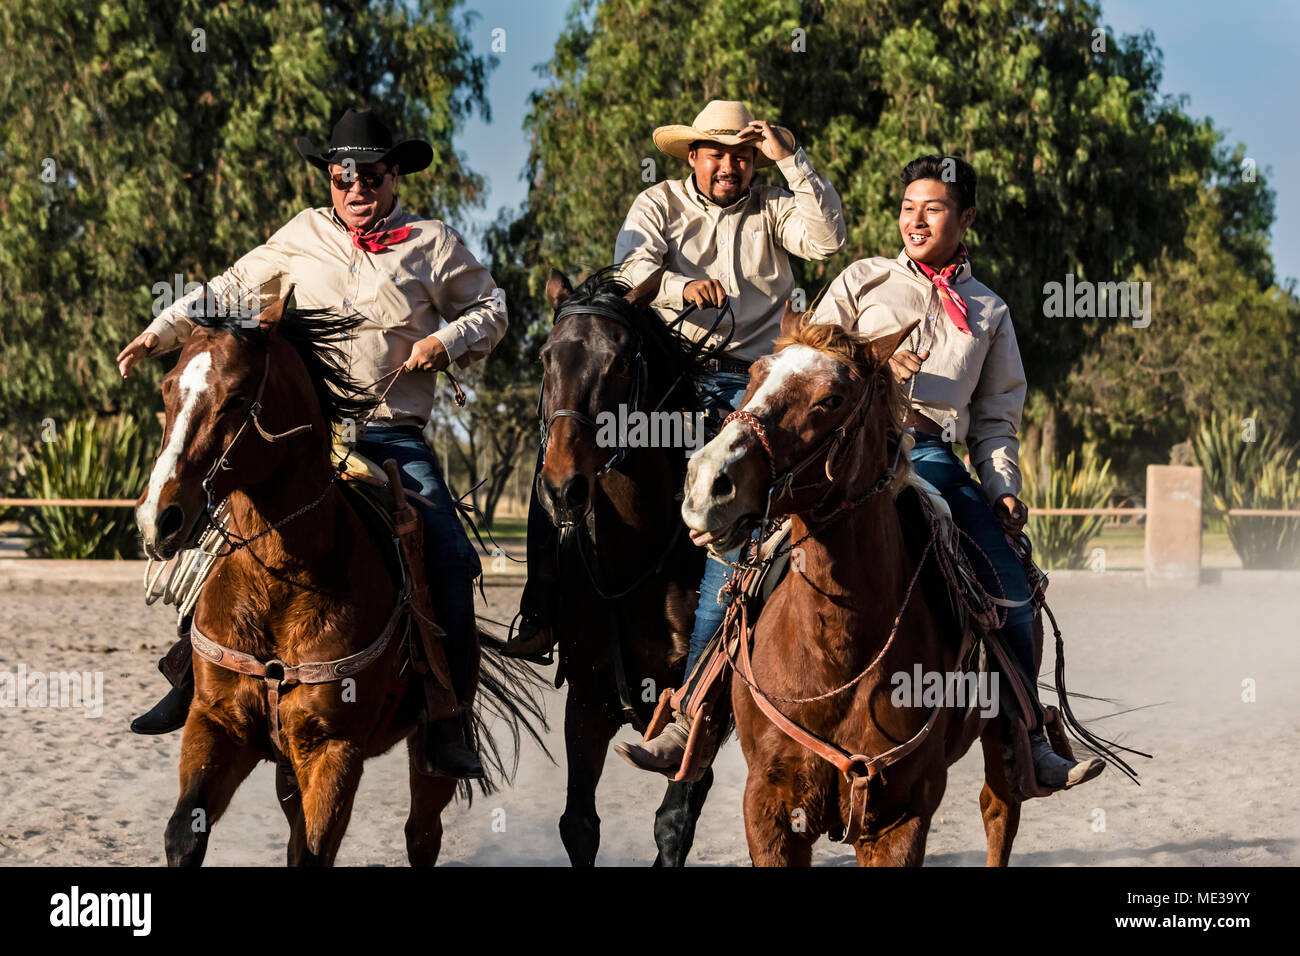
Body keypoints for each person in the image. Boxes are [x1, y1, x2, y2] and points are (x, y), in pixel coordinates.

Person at [115, 107, 507, 779]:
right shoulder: (299, 236)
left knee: (447, 553)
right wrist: (160, 333)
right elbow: (227, 290)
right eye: (341, 177)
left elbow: (492, 309)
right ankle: (190, 674)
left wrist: (447, 341)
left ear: (392, 176)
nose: (356, 190)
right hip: (305, 436)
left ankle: (449, 716)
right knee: (221, 527)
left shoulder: (433, 242)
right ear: (331, 179)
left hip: (390, 438)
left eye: (370, 177)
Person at [802, 154, 1104, 790]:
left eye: (933, 208)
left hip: (930, 457)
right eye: (908, 206)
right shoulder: (862, 279)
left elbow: (995, 419)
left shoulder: (989, 311)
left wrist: (1003, 491)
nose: (916, 219)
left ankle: (1025, 740)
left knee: (1011, 588)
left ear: (965, 218)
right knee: (746, 556)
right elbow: (811, 360)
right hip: (848, 449)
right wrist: (875, 368)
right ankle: (699, 707)